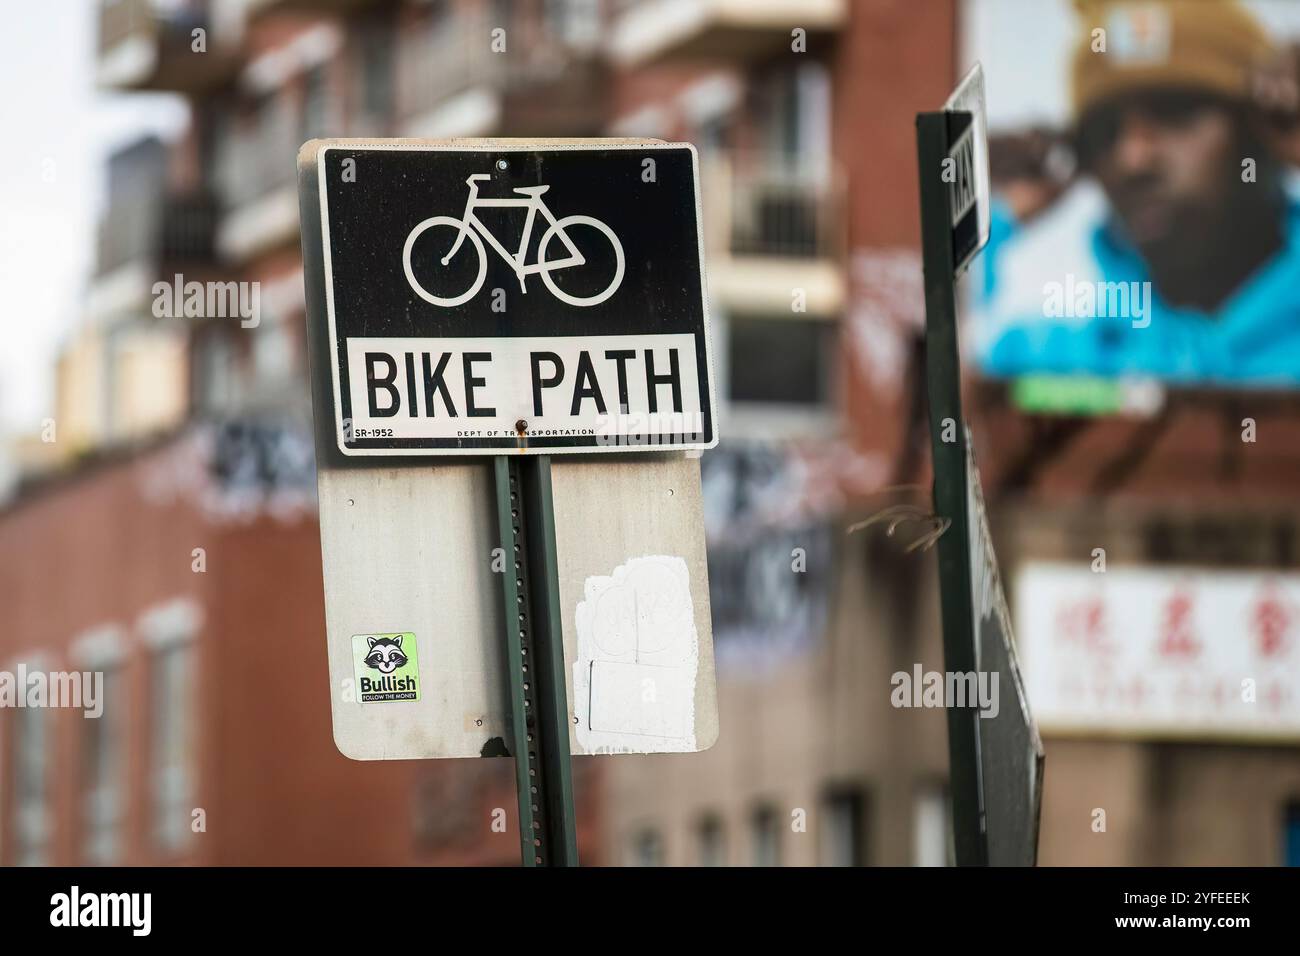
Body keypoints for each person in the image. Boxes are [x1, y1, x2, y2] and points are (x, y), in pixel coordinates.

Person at [976, 0, 1300, 384]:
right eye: (1104, 133)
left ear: (1266, 132)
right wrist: (983, 219)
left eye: (1175, 111)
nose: (1133, 159)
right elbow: (909, 374)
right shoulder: (1044, 364)